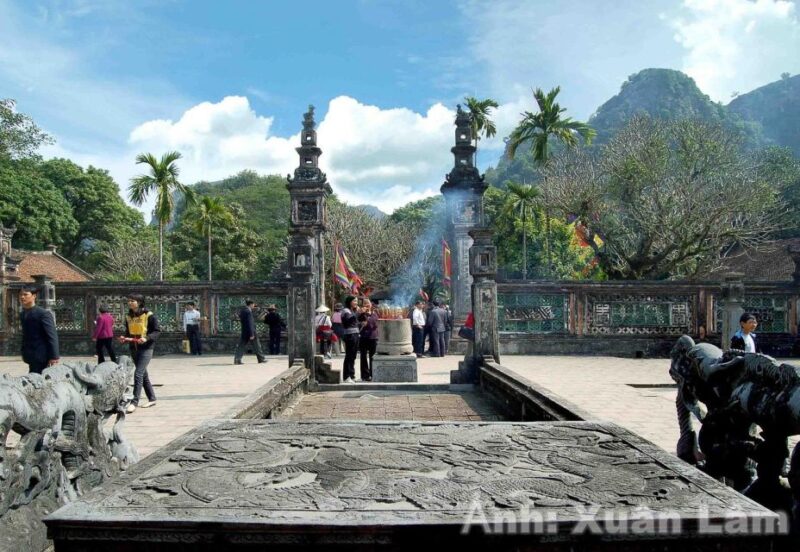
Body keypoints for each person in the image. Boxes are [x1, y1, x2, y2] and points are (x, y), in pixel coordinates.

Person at [120, 294, 159, 413]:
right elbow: (128, 332)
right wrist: (124, 338)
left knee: (138, 374)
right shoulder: (128, 316)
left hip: (146, 348)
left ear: (140, 302)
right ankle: (152, 398)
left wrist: (146, 338)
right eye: (129, 301)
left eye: (132, 301)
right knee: (143, 375)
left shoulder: (149, 315)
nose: (130, 303)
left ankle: (134, 402)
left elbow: (157, 331)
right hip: (134, 347)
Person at [19, 285, 59, 374]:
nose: (22, 297)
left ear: (34, 296)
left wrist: (54, 356)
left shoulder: (43, 314)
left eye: (25, 294)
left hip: (42, 355)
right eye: (21, 294)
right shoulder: (23, 314)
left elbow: (52, 335)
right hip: (30, 354)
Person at [234, 299, 267, 364]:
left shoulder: (243, 311)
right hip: (251, 331)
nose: (254, 306)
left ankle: (237, 359)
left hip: (244, 331)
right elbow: (250, 323)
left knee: (241, 346)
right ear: (251, 304)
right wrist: (252, 334)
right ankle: (261, 359)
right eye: (253, 304)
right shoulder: (248, 312)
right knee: (257, 346)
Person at [340, 295, 360, 383]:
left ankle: (352, 375)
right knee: (349, 355)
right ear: (349, 302)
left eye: (356, 301)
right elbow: (348, 320)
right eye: (354, 301)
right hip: (349, 335)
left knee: (353, 356)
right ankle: (346, 376)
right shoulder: (345, 311)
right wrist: (357, 313)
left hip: (355, 334)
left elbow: (356, 321)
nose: (356, 303)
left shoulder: (352, 311)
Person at [358, 299, 378, 381]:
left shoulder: (375, 313)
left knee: (372, 356)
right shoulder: (361, 314)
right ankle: (365, 375)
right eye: (364, 303)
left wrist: (368, 321)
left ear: (371, 304)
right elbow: (361, 322)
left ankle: (373, 374)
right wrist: (363, 313)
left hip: (373, 337)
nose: (366, 305)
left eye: (368, 303)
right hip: (363, 337)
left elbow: (375, 324)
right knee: (363, 356)